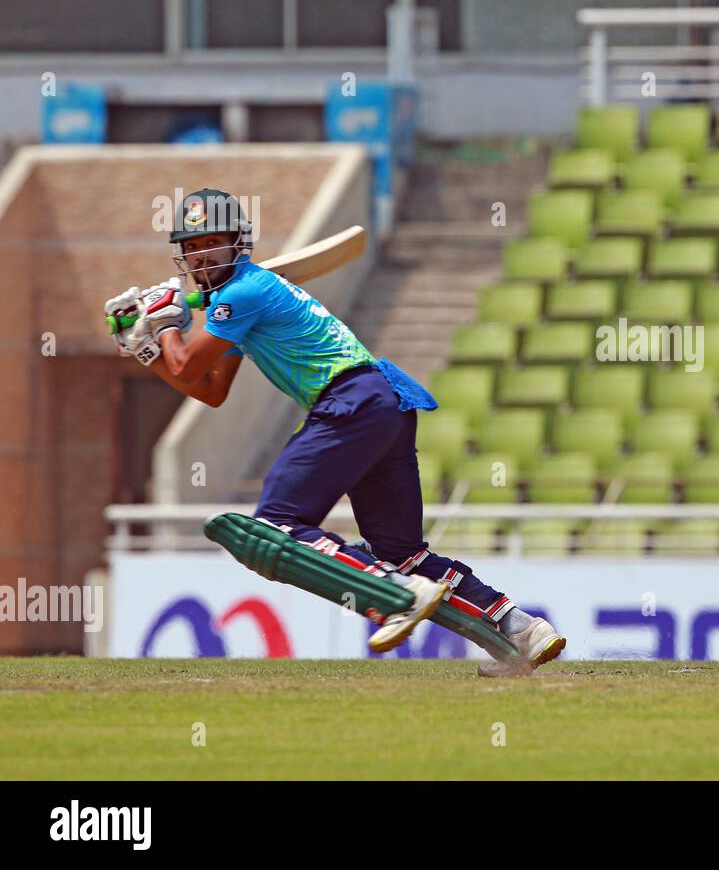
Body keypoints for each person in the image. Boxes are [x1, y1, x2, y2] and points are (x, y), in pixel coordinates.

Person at [107, 188, 564, 676]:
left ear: (239, 243)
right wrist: (151, 344)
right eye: (194, 246)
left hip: (351, 401)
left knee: (278, 524)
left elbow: (187, 359)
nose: (204, 255)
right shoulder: (242, 301)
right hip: (383, 404)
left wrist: (158, 327)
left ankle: (396, 595)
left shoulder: (242, 294)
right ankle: (519, 630)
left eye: (214, 242)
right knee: (403, 552)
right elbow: (210, 386)